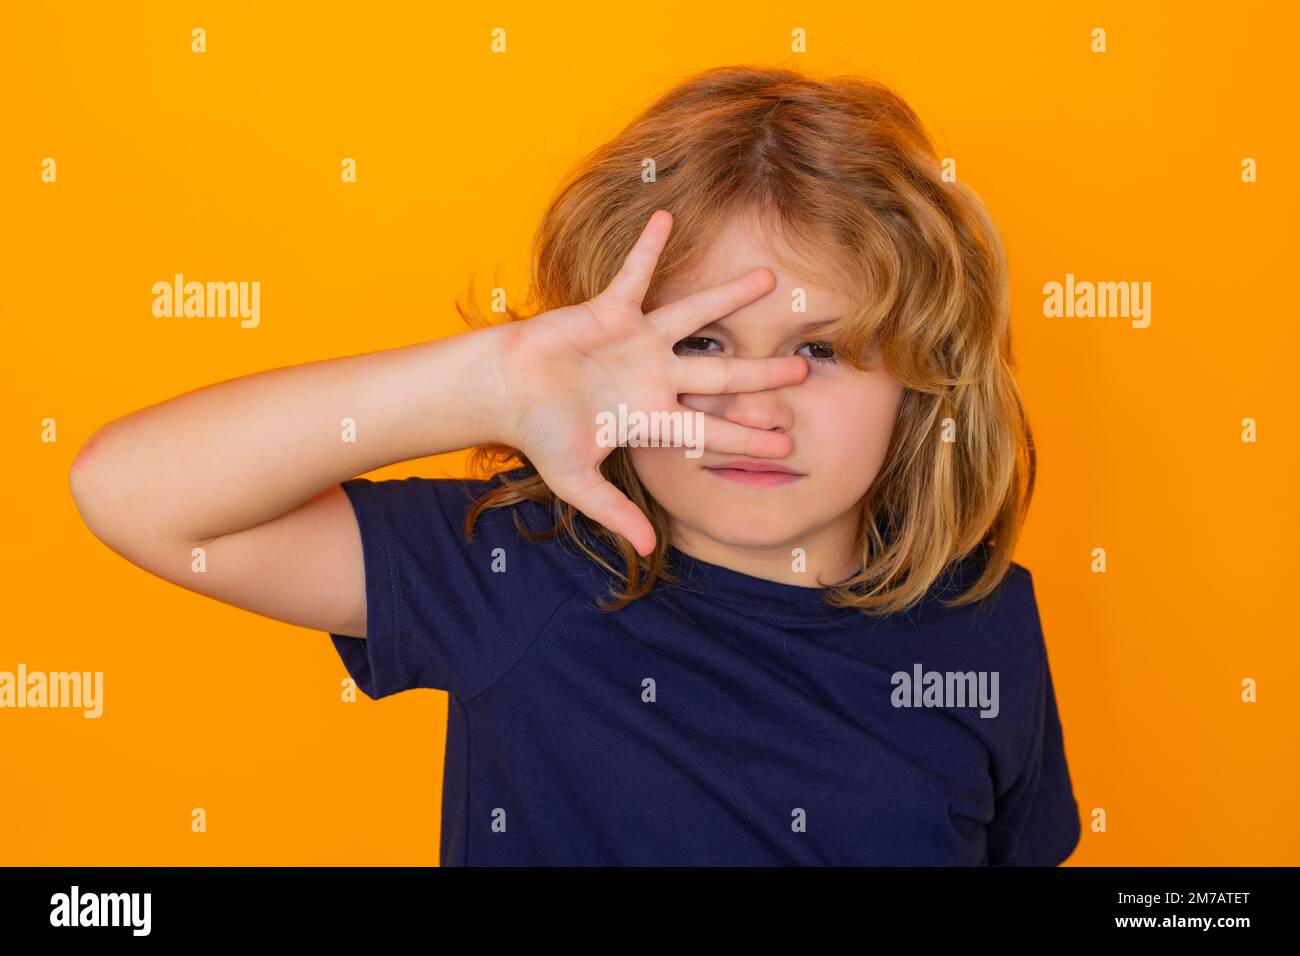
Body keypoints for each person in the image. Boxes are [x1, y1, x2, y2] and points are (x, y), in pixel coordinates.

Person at [69, 64, 1080, 866]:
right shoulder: (514, 569)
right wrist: (491, 378)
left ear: (920, 387)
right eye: (700, 343)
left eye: (817, 349)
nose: (755, 404)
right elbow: (131, 492)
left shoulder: (984, 624)